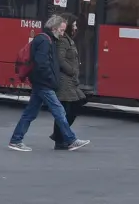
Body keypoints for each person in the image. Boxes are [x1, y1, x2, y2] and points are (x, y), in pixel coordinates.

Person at [8, 14, 87, 152]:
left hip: (40, 83)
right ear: (54, 28)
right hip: (43, 83)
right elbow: (42, 63)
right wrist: (51, 80)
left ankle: (16, 140)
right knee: (59, 110)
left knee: (30, 113)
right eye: (61, 30)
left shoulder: (47, 39)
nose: (63, 33)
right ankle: (71, 140)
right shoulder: (45, 41)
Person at [50, 12, 86, 148]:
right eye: (75, 25)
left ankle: (59, 138)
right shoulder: (63, 41)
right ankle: (60, 139)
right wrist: (71, 70)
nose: (76, 28)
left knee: (70, 108)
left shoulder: (68, 39)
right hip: (65, 81)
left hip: (71, 82)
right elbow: (60, 59)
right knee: (65, 110)